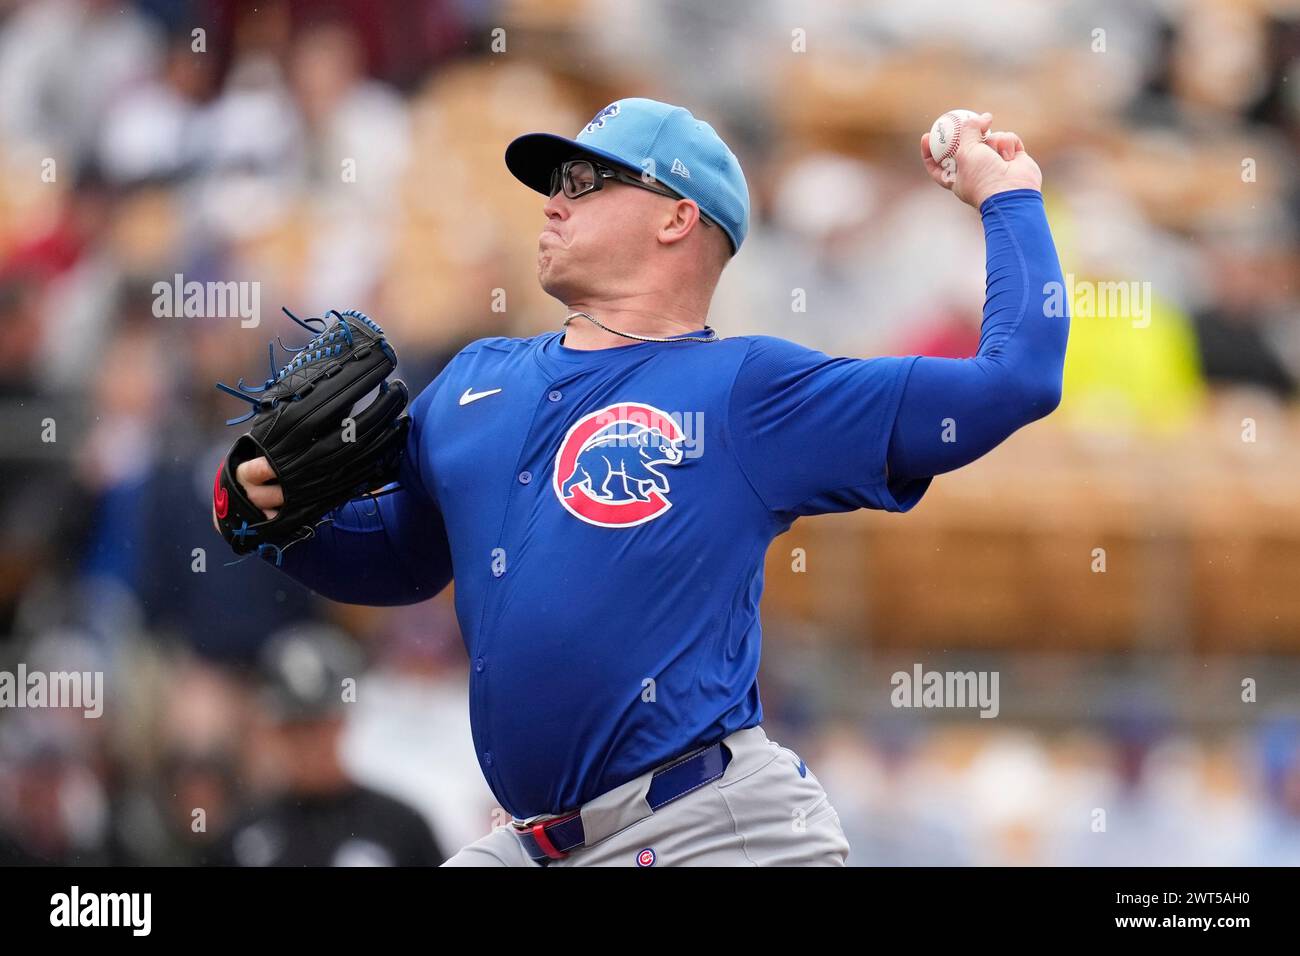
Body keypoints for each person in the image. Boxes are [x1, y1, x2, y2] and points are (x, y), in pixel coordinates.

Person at [218, 98, 1067, 865]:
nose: (553, 200)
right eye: (556, 182)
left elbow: (1015, 380)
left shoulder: (748, 392)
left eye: (584, 181)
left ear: (676, 218)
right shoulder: (477, 380)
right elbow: (404, 560)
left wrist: (1010, 197)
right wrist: (266, 520)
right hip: (530, 843)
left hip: (708, 829)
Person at [216, 625, 445, 866]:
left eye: (318, 724)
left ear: (342, 721)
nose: (307, 742)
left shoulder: (402, 827)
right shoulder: (243, 837)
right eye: (294, 727)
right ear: (272, 732)